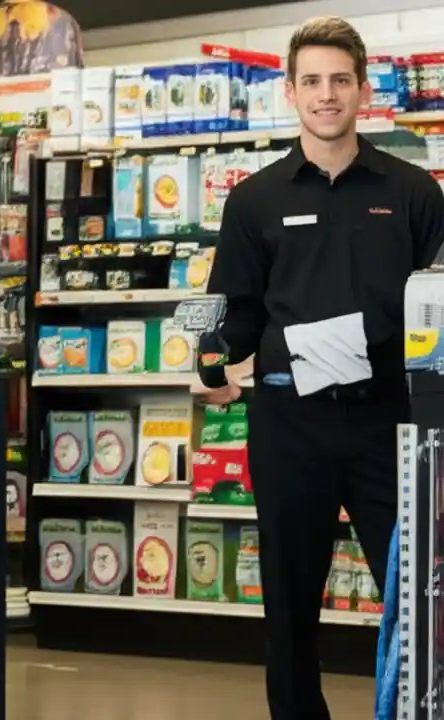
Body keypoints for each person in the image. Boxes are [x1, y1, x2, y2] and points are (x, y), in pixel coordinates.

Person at [199, 16, 444, 718]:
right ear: (290, 92)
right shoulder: (255, 199)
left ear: (363, 91)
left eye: (340, 80)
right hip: (290, 422)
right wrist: (212, 358)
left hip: (389, 424)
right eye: (312, 81)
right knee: (289, 603)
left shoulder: (412, 192)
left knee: (419, 590)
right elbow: (233, 307)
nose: (327, 94)